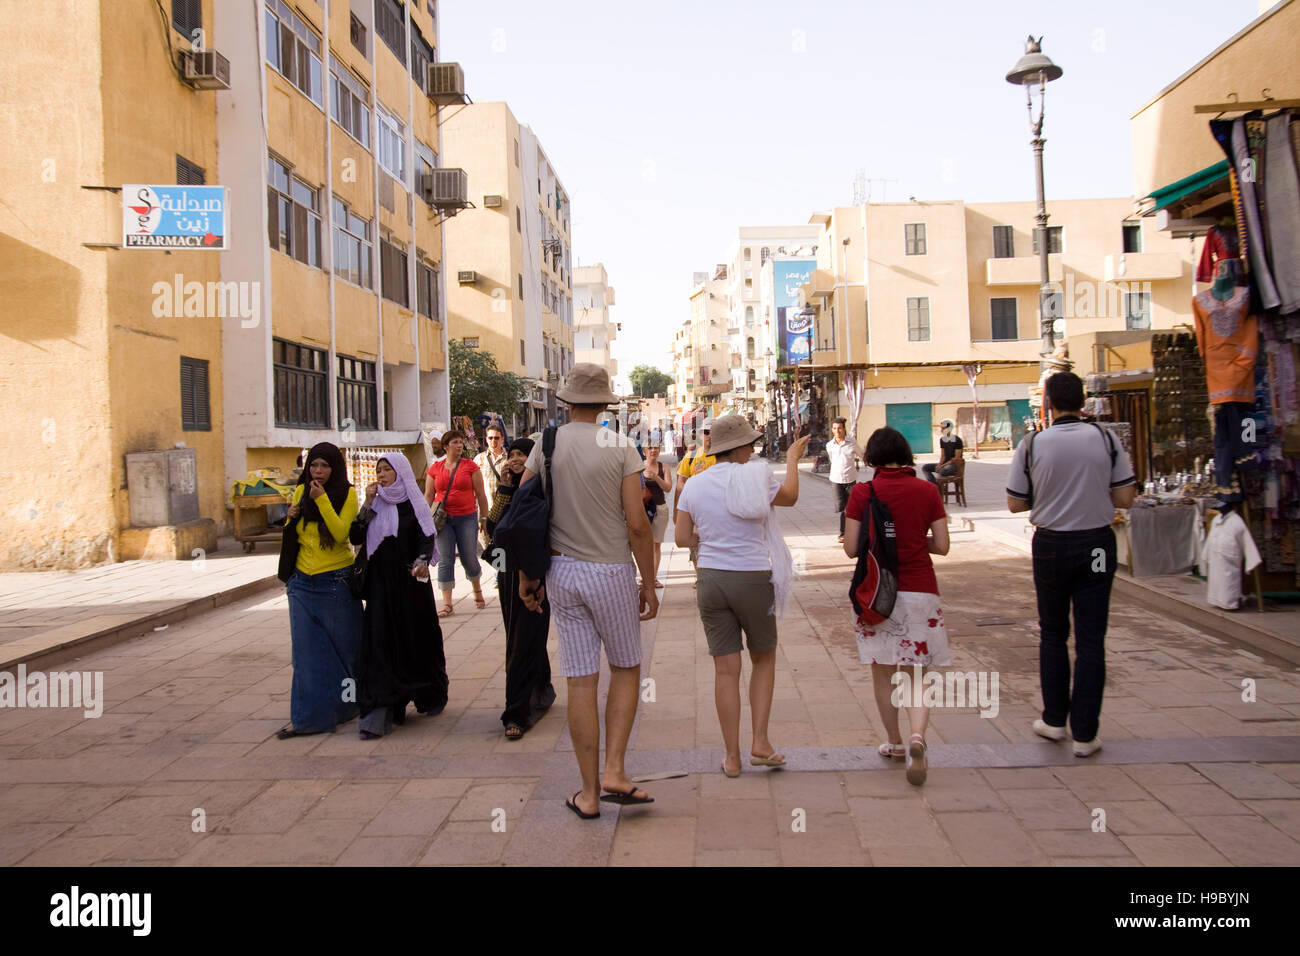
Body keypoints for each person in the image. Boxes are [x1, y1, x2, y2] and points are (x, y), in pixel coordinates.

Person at [517, 363, 658, 819]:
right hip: (611, 573)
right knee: (626, 668)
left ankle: (589, 794)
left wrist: (527, 578)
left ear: (567, 402)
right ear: (604, 404)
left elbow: (523, 514)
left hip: (562, 574)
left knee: (580, 680)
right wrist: (650, 581)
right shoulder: (620, 446)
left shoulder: (546, 444)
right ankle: (615, 770)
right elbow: (637, 524)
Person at [1007, 371, 1136, 757]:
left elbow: (1015, 502)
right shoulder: (1106, 438)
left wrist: (1049, 496)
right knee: (1092, 638)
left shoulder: (1032, 444)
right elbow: (1125, 497)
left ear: (1048, 403)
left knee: (1052, 633)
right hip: (1096, 544)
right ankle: (1085, 734)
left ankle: (1053, 720)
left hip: (1050, 545)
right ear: (1083, 402)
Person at [676, 415, 808, 778]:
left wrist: (711, 538)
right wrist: (794, 459)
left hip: (711, 580)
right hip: (752, 577)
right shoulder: (756, 478)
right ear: (736, 447)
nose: (753, 450)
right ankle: (761, 743)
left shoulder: (694, 485)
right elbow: (792, 498)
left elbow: (682, 538)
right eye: (749, 444)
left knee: (725, 670)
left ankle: (732, 758)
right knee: (763, 659)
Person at [843, 427, 951, 785]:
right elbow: (944, 545)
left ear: (871, 457)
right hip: (921, 590)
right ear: (905, 454)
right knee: (917, 673)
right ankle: (918, 735)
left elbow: (851, 547)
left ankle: (895, 742)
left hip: (879, 595)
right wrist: (913, 542)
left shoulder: (862, 492)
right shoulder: (927, 490)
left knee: (883, 671)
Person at [349, 453, 448, 738]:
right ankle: (382, 706)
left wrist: (420, 562)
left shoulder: (413, 503)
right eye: (378, 470)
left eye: (386, 470)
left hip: (410, 587)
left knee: (417, 640)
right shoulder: (375, 504)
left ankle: (428, 694)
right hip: (381, 588)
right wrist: (367, 504)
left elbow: (426, 537)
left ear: (400, 472)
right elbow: (355, 536)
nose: (381, 475)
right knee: (379, 641)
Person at [278, 442, 363, 739]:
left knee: (344, 652)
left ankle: (346, 707)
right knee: (305, 653)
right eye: (313, 465)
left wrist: (323, 500)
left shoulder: (348, 494)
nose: (318, 471)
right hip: (302, 581)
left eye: (325, 466)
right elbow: (297, 534)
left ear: (335, 468)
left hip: (336, 581)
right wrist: (291, 516)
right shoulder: (301, 491)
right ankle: (308, 719)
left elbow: (342, 533)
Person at [485, 437, 556, 739]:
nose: (515, 460)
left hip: (536, 576)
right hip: (507, 575)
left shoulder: (540, 490)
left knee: (525, 637)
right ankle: (539, 690)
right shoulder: (508, 488)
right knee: (519, 636)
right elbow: (491, 527)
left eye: (521, 455)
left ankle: (516, 710)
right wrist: (504, 487)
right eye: (511, 454)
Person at [424, 430, 491, 617]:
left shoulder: (470, 466)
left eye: (461, 442)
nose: (460, 445)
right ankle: (447, 603)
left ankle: (477, 589)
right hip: (442, 520)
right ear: (446, 446)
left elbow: (481, 495)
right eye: (455, 442)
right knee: (446, 559)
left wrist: (484, 518)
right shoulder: (435, 469)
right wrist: (423, 519)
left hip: (467, 517)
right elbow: (428, 495)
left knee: (469, 556)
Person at [675, 423, 715, 579]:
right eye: (706, 432)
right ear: (699, 435)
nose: (709, 436)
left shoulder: (724, 456)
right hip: (696, 511)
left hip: (718, 511)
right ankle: (701, 578)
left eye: (712, 432)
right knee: (695, 545)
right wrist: (692, 494)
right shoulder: (691, 457)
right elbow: (680, 482)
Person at [641, 443, 673, 589]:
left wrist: (656, 477)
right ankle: (644, 578)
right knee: (642, 545)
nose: (653, 450)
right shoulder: (638, 466)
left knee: (655, 544)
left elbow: (668, 487)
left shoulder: (663, 467)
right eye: (650, 448)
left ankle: (652, 579)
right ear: (644, 450)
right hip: (642, 510)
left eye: (656, 448)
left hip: (660, 509)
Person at [826, 417, 863, 543]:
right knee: (841, 508)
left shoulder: (851, 443)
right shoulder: (829, 445)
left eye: (840, 428)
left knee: (851, 507)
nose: (837, 431)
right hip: (836, 480)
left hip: (850, 479)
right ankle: (843, 534)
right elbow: (832, 460)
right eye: (835, 428)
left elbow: (862, 455)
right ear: (832, 430)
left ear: (844, 429)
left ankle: (851, 533)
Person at [921, 420, 964, 485]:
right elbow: (943, 456)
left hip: (954, 466)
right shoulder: (942, 440)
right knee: (925, 467)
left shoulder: (957, 440)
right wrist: (939, 465)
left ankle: (939, 488)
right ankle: (935, 486)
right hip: (944, 465)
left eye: (943, 428)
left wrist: (941, 466)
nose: (941, 430)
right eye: (941, 428)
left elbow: (956, 459)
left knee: (943, 471)